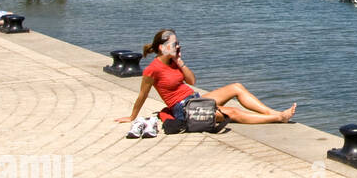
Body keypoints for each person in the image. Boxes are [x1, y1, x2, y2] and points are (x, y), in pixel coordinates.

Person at [115, 29, 297, 126]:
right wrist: (132, 117)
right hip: (184, 110)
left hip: (194, 99)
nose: (178, 46)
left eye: (177, 43)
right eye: (174, 44)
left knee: (236, 87)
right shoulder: (152, 70)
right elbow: (142, 95)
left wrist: (180, 61)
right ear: (162, 48)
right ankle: (278, 118)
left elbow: (192, 81)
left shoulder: (174, 62)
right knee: (230, 113)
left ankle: (271, 112)